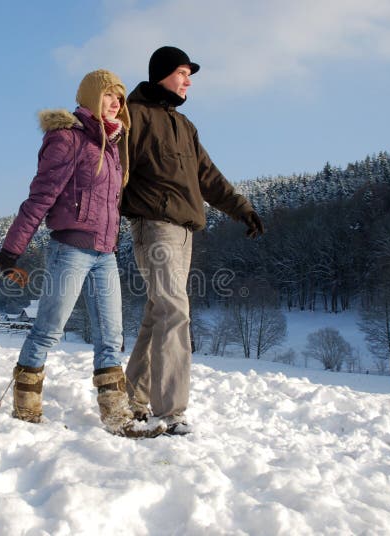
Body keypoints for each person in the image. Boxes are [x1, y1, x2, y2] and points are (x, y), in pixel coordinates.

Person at [0, 69, 166, 438]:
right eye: (108, 95)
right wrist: (11, 250)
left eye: (119, 96)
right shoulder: (67, 139)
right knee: (48, 330)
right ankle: (26, 404)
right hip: (70, 249)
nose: (116, 102)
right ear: (89, 97)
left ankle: (117, 416)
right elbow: (40, 198)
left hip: (106, 253)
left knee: (111, 336)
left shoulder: (115, 145)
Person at [122, 46, 264, 435]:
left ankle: (130, 397)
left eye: (189, 75)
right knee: (174, 310)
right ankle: (169, 412)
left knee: (159, 311)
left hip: (184, 230)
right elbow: (112, 172)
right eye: (183, 72)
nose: (188, 81)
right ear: (162, 74)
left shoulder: (185, 127)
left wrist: (242, 208)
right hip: (154, 225)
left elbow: (208, 177)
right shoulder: (134, 116)